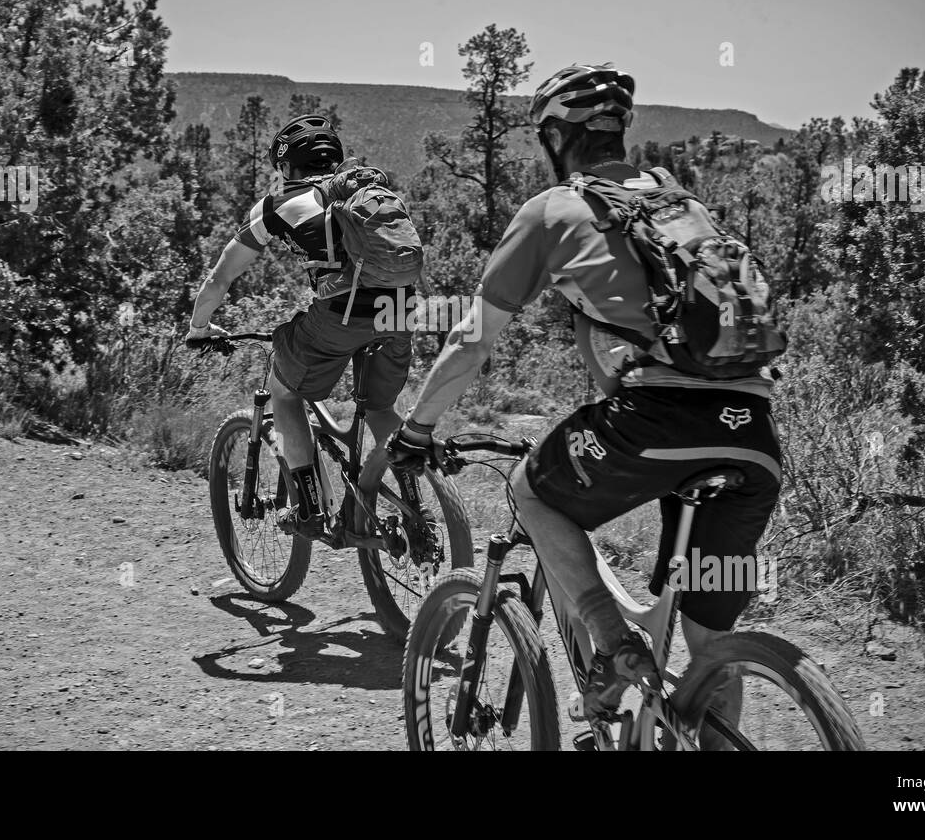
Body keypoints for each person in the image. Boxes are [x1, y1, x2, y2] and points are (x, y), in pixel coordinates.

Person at [387, 64, 781, 734]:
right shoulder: (680, 204)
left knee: (531, 488)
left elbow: (472, 340)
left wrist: (417, 429)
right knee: (712, 647)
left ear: (555, 137)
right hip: (754, 438)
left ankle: (609, 644)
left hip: (660, 421)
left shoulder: (551, 211)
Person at [185, 115, 413, 537]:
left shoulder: (278, 205)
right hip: (400, 310)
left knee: (284, 391)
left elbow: (220, 278)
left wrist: (199, 327)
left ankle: (308, 506)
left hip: (340, 316)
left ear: (286, 168)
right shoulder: (363, 193)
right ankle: (418, 501)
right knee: (380, 408)